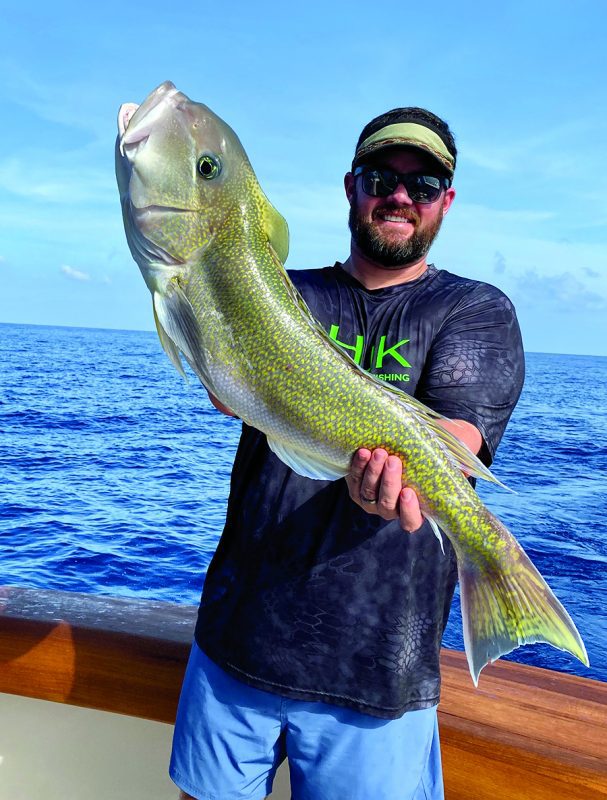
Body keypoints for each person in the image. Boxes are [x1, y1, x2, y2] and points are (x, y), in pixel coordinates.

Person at [169, 108, 525, 800]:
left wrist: (411, 481)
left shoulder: (474, 310)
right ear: (350, 187)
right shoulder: (281, 296)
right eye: (380, 178)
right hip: (235, 646)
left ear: (446, 201)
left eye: (422, 184)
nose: (399, 196)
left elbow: (458, 440)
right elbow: (222, 381)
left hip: (376, 676)